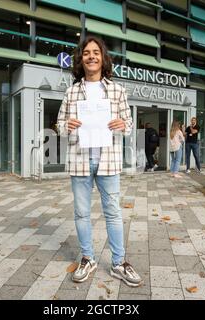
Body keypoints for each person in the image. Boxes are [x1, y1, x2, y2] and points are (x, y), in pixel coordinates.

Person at [56, 36, 142, 287]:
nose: (91, 56)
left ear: (103, 58)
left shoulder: (117, 90)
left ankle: (118, 262)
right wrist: (66, 125)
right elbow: (60, 125)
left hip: (108, 160)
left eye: (96, 52)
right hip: (80, 160)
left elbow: (129, 124)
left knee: (113, 213)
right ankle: (88, 258)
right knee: (82, 212)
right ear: (80, 59)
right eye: (86, 53)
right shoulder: (72, 91)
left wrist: (123, 124)